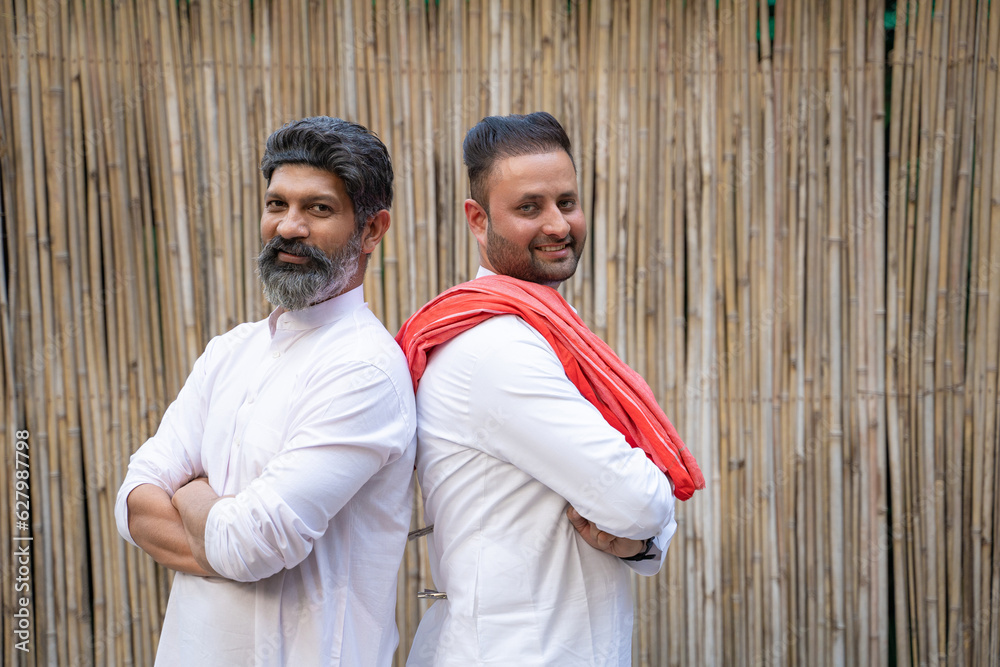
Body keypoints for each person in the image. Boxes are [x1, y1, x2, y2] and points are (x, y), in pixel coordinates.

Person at [397, 112, 704, 666]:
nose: (559, 224)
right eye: (529, 207)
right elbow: (637, 499)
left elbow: (636, 516)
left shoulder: (543, 331)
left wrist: (641, 540)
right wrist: (644, 523)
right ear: (477, 219)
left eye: (567, 201)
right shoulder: (497, 350)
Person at [115, 116, 417, 666]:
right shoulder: (230, 352)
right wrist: (228, 538)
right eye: (277, 204)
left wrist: (187, 493)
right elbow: (133, 504)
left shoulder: (365, 371)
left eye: (318, 208)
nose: (289, 227)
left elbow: (253, 546)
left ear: (373, 230)